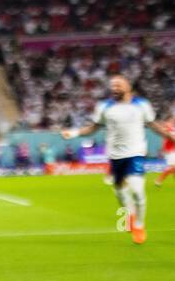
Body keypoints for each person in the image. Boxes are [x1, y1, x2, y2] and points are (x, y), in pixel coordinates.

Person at [62, 74, 175, 244]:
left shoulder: (142, 105)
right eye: (112, 86)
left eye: (118, 85)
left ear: (128, 87)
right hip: (115, 156)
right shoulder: (104, 107)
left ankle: (139, 225)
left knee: (137, 191)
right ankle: (128, 214)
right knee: (120, 192)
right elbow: (93, 128)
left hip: (136, 153)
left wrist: (170, 137)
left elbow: (153, 125)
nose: (114, 89)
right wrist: (74, 132)